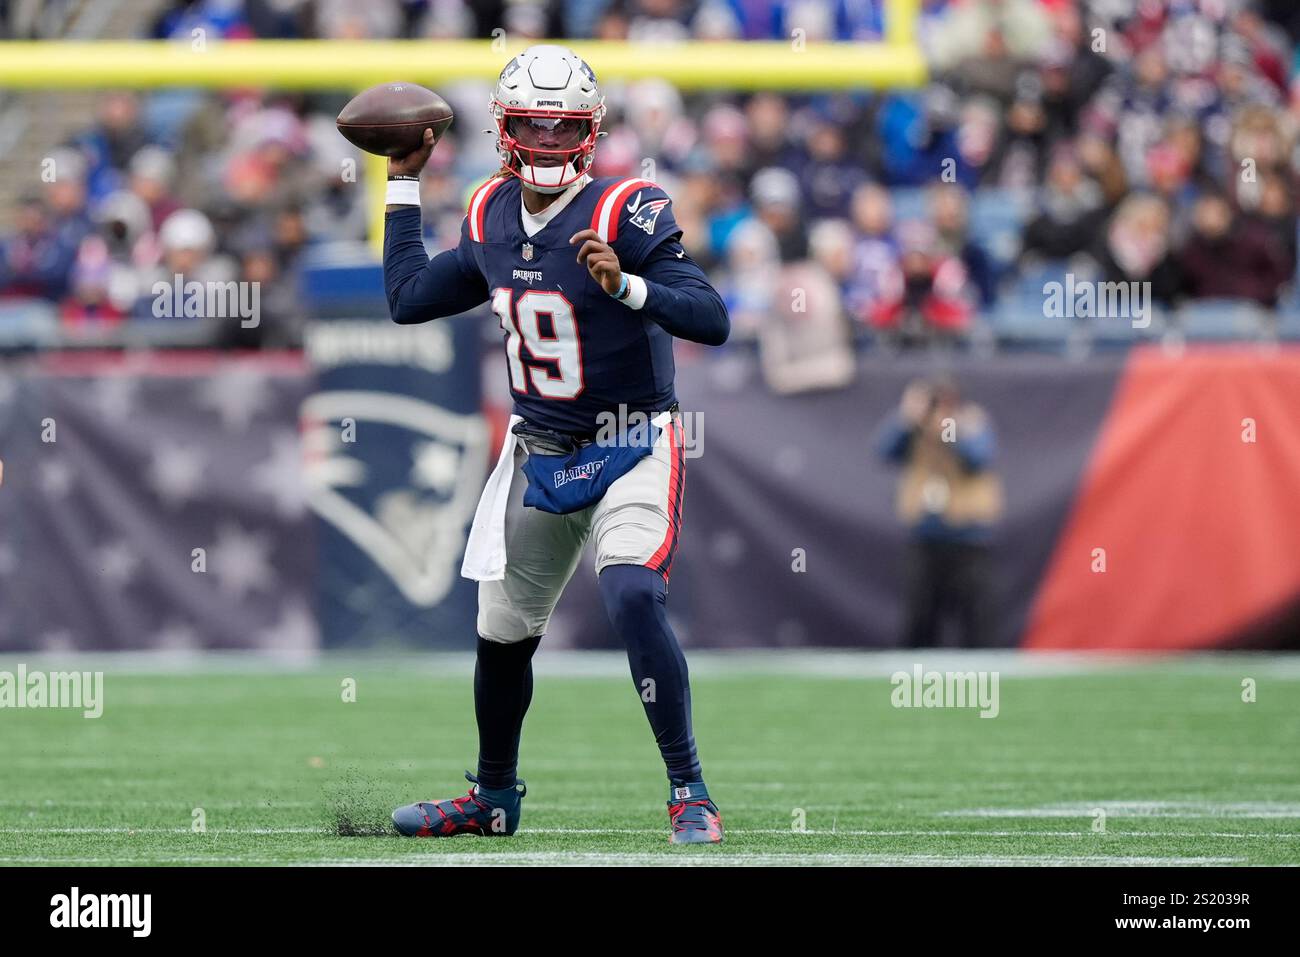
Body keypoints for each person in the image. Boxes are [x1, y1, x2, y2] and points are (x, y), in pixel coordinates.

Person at [383, 45, 729, 844]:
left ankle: (690, 790)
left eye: (561, 125)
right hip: (541, 447)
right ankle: (494, 796)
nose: (544, 140)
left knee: (633, 594)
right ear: (503, 131)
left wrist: (629, 286)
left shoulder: (624, 210)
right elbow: (406, 299)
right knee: (501, 634)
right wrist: (402, 182)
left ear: (590, 131)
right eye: (531, 125)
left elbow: (711, 316)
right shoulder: (488, 213)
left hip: (630, 439)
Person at [877, 376, 1002, 647]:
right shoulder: (914, 427)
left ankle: (980, 682)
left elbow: (978, 458)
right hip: (925, 536)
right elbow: (883, 450)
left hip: (968, 538)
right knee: (920, 619)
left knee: (977, 622)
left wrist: (948, 427)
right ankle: (914, 683)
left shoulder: (972, 422)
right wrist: (907, 417)